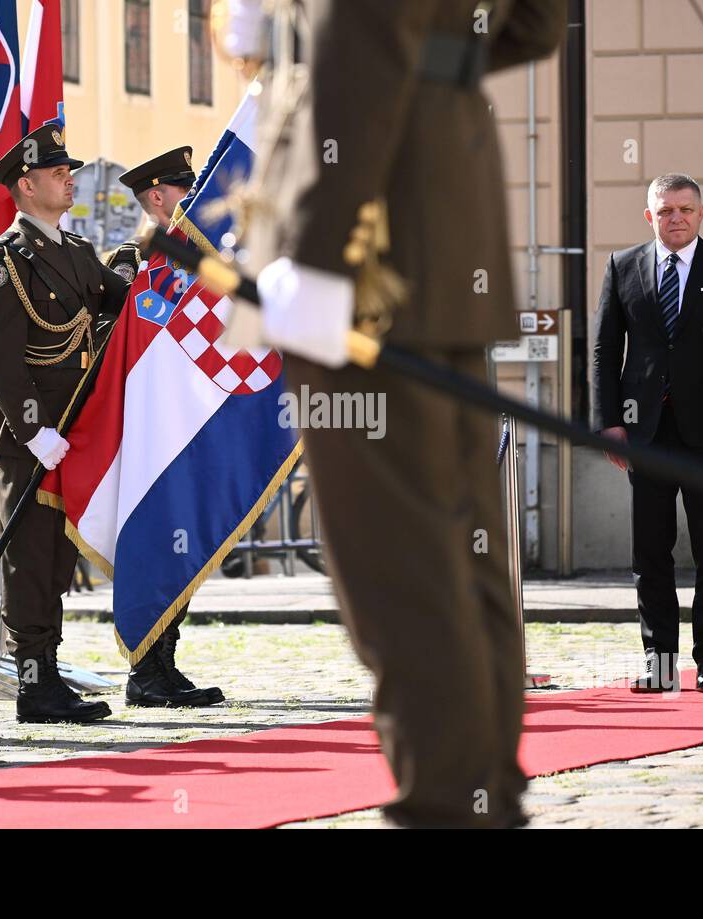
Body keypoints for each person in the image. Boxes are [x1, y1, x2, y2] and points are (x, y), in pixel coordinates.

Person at [242, 0, 567, 827]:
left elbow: (360, 45)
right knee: (459, 551)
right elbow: (532, 24)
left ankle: (450, 801)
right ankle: (484, 782)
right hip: (448, 241)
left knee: (400, 565)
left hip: (369, 267)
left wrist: (315, 260)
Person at [0, 125, 130, 723]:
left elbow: (125, 302)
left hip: (72, 434)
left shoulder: (78, 253)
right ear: (26, 183)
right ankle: (33, 685)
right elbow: (0, 354)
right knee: (31, 560)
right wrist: (33, 429)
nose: (71, 179)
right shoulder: (6, 259)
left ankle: (50, 674)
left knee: (57, 562)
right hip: (33, 438)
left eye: (70, 170)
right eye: (59, 172)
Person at [591, 174, 703, 693]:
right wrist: (609, 423)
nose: (676, 218)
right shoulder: (622, 267)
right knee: (650, 552)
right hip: (645, 432)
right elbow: (604, 351)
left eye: (685, 209)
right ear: (650, 216)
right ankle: (659, 662)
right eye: (665, 211)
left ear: (701, 212)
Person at [102, 147, 223, 708]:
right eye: (184, 191)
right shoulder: (130, 264)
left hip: (188, 432)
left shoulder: (205, 262)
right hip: (144, 436)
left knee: (183, 547)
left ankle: (164, 662)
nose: (196, 200)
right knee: (153, 543)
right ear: (157, 197)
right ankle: (145, 670)